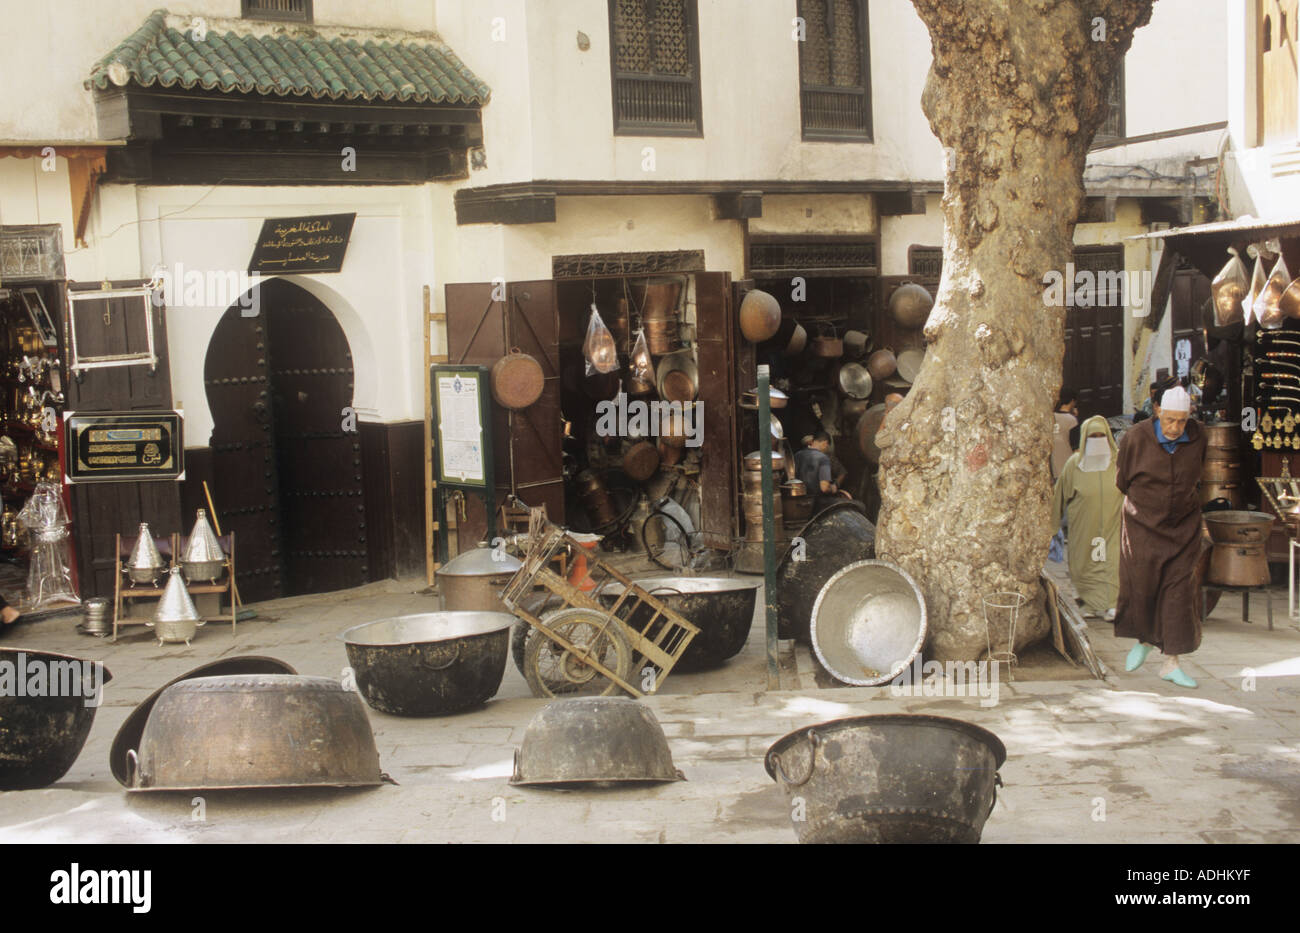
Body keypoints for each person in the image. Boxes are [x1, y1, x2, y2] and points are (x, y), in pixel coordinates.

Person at [1114, 385, 1206, 688]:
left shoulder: (1198, 436)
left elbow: (1199, 474)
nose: (1175, 428)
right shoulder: (1136, 437)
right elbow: (1122, 479)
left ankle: (1171, 662)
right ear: (1158, 413)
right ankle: (1144, 640)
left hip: (1183, 528)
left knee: (1179, 593)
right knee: (1142, 585)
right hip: (1143, 526)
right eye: (1169, 420)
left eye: (1181, 421)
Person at [1052, 416, 1121, 618]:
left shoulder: (1118, 463)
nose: (1097, 440)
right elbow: (1060, 495)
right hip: (1083, 525)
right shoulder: (1074, 464)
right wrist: (1051, 527)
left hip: (1112, 523)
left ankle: (1111, 603)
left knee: (1112, 562)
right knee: (1084, 564)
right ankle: (1087, 604)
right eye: (1093, 437)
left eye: (1101, 436)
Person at [794, 431, 850, 511]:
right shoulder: (823, 458)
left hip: (798, 503)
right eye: (827, 446)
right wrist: (833, 488)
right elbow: (824, 488)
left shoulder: (797, 455)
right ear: (825, 443)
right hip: (817, 504)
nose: (827, 449)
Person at [1051, 388, 1080, 481]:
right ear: (1072, 401)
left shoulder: (1051, 416)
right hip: (1067, 465)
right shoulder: (1071, 421)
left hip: (1053, 466)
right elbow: (1076, 447)